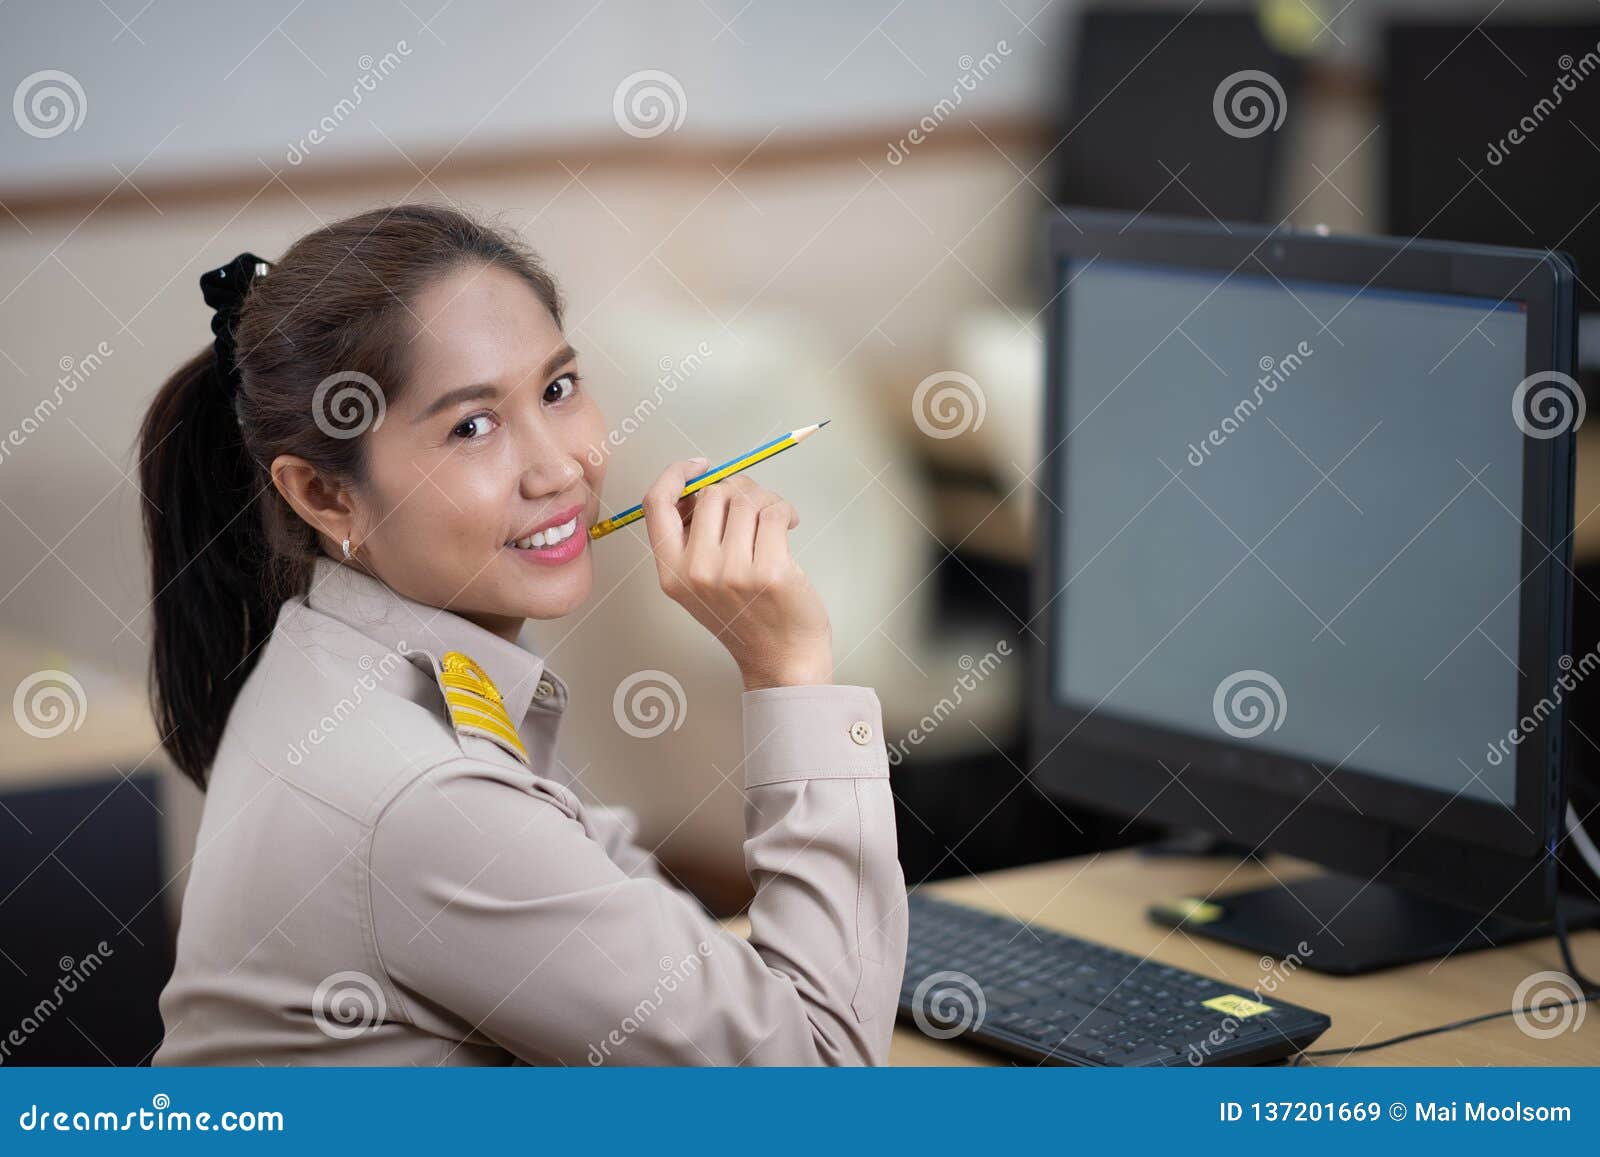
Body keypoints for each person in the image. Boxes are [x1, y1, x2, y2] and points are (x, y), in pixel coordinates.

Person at [142, 204, 907, 1065]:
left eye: (557, 388)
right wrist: (790, 673)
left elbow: (619, 903)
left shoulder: (358, 658)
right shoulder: (426, 797)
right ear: (325, 496)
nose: (560, 469)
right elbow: (822, 1078)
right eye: (472, 426)